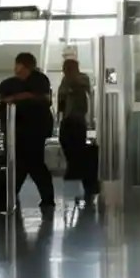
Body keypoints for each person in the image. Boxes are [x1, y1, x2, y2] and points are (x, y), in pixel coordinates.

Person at [0, 52, 56, 208]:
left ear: (24, 66)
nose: (16, 68)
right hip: (15, 129)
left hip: (34, 130)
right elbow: (0, 104)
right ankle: (10, 196)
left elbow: (43, 99)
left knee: (33, 164)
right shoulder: (9, 83)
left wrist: (17, 98)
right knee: (19, 164)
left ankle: (45, 198)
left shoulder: (39, 80)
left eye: (18, 65)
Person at [57, 58, 98, 201]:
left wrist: (71, 83)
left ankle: (85, 180)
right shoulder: (65, 80)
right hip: (67, 119)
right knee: (65, 143)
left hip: (78, 119)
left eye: (68, 68)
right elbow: (61, 98)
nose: (65, 70)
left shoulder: (82, 78)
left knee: (79, 150)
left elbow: (84, 90)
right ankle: (75, 170)